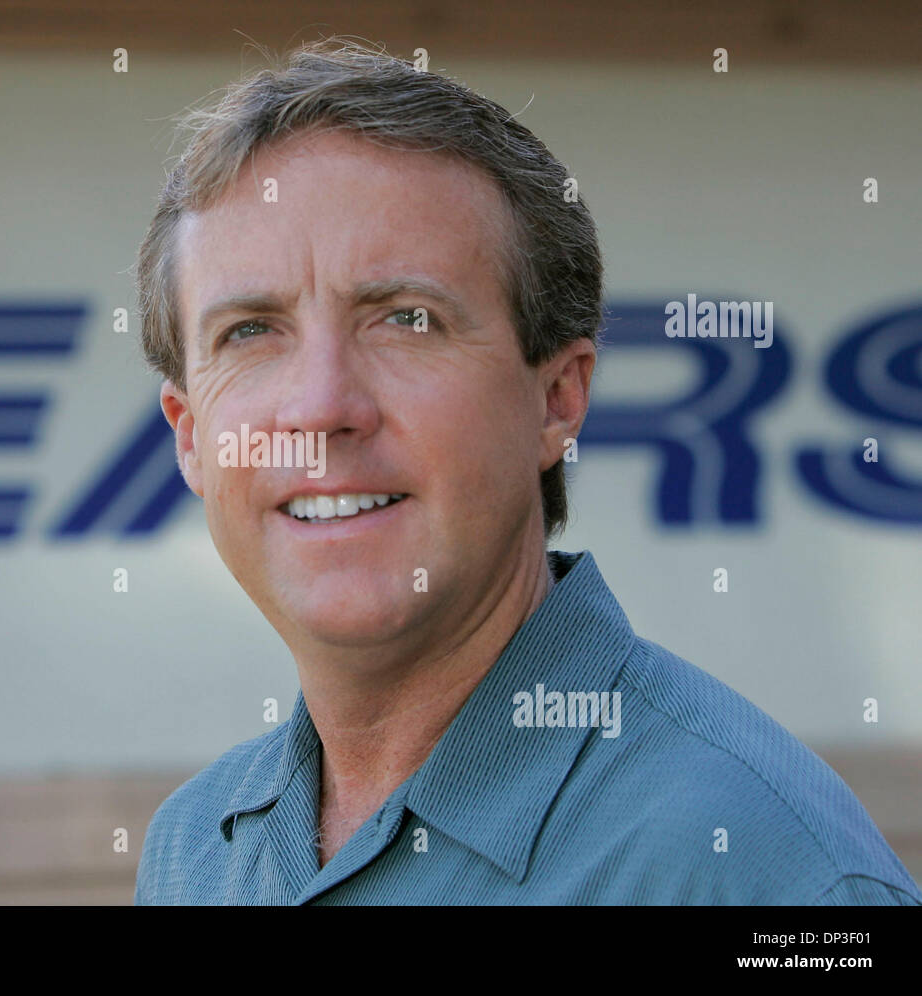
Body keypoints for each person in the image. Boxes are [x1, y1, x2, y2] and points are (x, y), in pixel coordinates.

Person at [130, 38, 921, 905]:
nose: (321, 409)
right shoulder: (193, 851)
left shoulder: (760, 874)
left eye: (406, 319)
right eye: (250, 331)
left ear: (556, 400)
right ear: (190, 435)